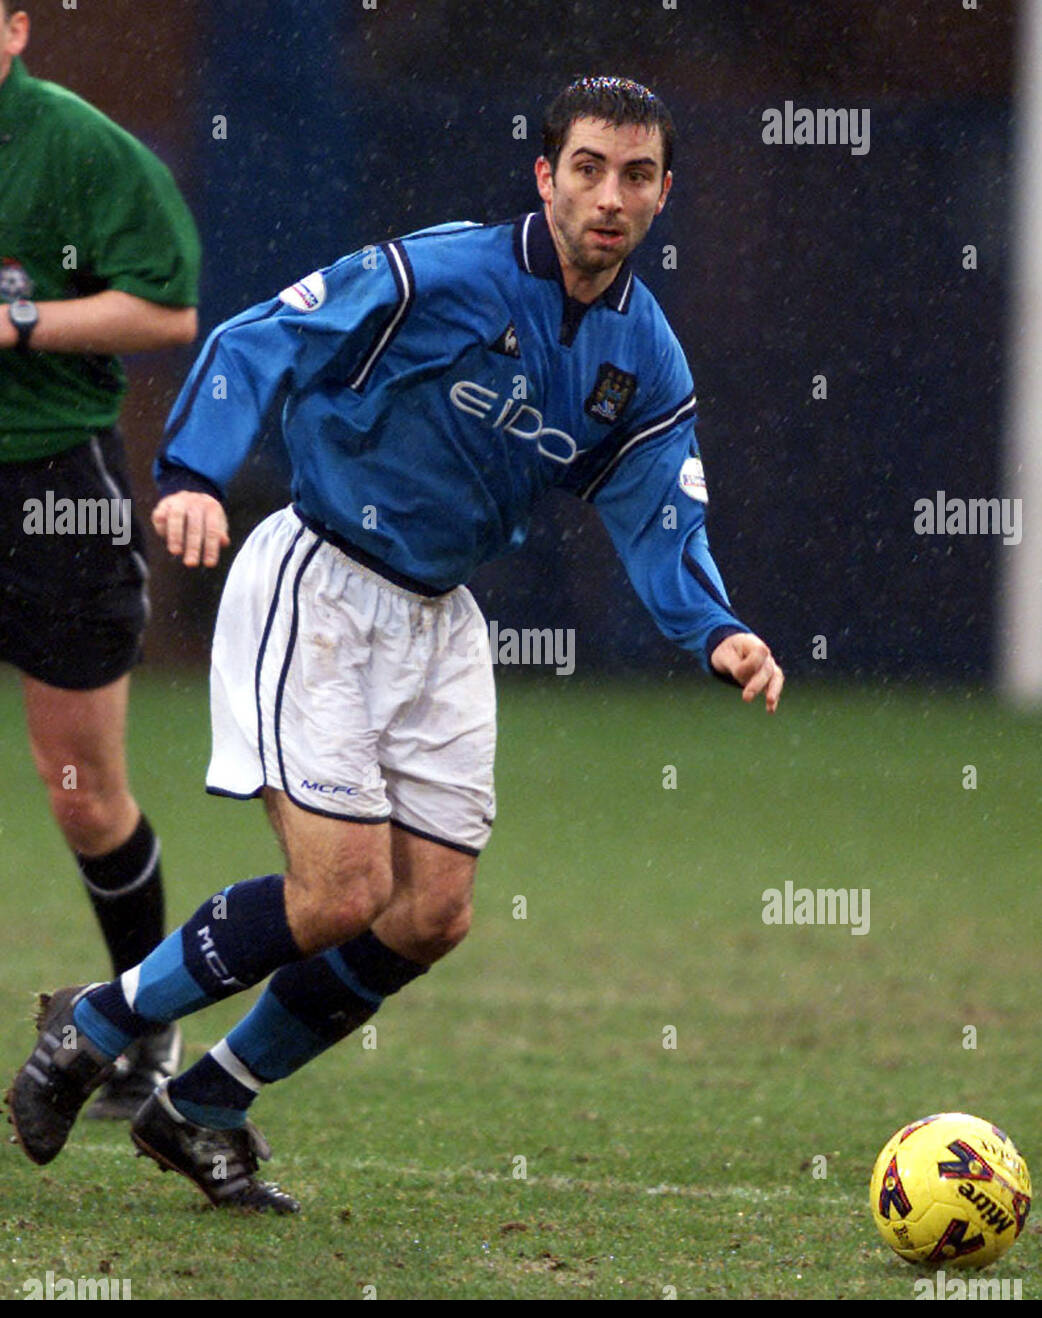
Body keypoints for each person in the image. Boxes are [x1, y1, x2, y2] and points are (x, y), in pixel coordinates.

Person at [7, 76, 783, 1213]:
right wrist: (192, 474)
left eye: (634, 175)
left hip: (440, 622)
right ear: (545, 176)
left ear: (664, 192)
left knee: (430, 913)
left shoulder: (644, 356)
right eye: (586, 168)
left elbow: (659, 498)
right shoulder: (445, 271)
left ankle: (206, 1104)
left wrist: (714, 626)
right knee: (338, 894)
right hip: (319, 582)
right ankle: (96, 1024)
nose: (608, 195)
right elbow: (258, 334)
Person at [0, 4, 200, 1115]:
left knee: (82, 792)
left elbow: (167, 310)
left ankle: (143, 1016)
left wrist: (18, 326)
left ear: (17, 29)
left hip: (48, 490)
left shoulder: (75, 145)